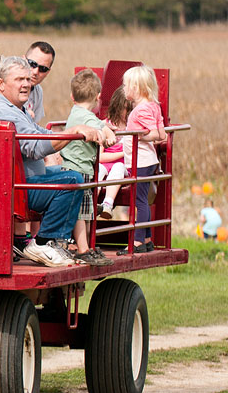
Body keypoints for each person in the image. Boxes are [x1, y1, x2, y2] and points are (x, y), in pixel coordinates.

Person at [0, 57, 106, 268]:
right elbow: (36, 147)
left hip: (22, 183)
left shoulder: (16, 110)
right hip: (14, 190)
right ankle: (43, 242)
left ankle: (53, 241)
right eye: (19, 79)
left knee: (67, 170)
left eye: (27, 79)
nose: (26, 84)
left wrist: (69, 133)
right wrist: (72, 132)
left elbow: (40, 133)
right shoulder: (3, 112)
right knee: (72, 180)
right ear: (1, 84)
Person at [58, 70, 116, 266]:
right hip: (78, 170)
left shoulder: (78, 112)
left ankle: (86, 247)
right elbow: (100, 130)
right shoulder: (86, 117)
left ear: (72, 96)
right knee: (81, 213)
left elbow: (97, 123)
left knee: (86, 211)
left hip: (80, 168)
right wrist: (109, 135)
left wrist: (105, 127)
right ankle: (82, 249)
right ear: (99, 97)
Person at [121, 65, 166, 254]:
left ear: (136, 88)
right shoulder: (154, 106)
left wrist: (138, 136)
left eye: (126, 86)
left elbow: (157, 134)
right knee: (144, 201)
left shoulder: (141, 110)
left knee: (140, 202)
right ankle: (147, 239)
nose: (123, 89)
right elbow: (163, 132)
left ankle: (138, 241)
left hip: (140, 162)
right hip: (147, 161)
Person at [97, 87, 131, 218]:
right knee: (98, 170)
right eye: (125, 108)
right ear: (117, 106)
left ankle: (107, 204)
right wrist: (123, 153)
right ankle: (93, 202)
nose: (128, 113)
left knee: (118, 168)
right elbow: (100, 157)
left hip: (122, 166)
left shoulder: (132, 127)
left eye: (130, 109)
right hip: (105, 163)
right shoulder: (105, 125)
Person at [24, 41, 55, 121]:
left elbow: (35, 126)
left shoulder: (38, 91)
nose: (35, 72)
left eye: (43, 69)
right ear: (23, 60)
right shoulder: (8, 85)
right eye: (32, 64)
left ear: (48, 72)